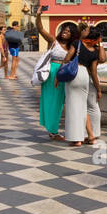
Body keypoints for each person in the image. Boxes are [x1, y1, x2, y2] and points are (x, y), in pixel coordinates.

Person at [33, 9, 71, 140]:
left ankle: (52, 129)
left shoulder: (72, 46)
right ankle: (53, 131)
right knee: (51, 101)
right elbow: (41, 29)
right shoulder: (53, 41)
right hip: (52, 73)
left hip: (63, 73)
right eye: (64, 30)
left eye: (69, 31)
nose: (65, 32)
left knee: (59, 102)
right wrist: (38, 15)